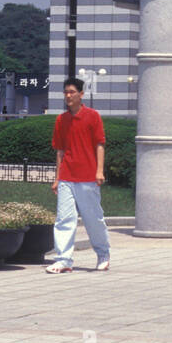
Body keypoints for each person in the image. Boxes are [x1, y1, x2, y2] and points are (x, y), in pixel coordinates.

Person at [47, 76, 111, 274]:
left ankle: (103, 254)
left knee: (93, 219)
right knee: (64, 219)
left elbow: (100, 144)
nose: (68, 96)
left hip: (88, 177)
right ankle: (64, 259)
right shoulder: (61, 119)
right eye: (65, 92)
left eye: (72, 92)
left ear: (81, 94)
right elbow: (60, 151)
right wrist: (57, 178)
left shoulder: (93, 116)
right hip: (67, 176)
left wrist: (99, 171)